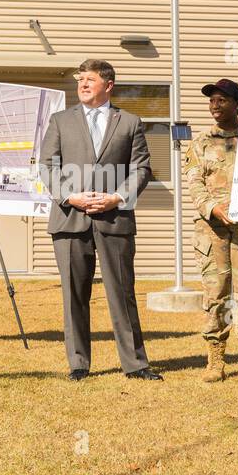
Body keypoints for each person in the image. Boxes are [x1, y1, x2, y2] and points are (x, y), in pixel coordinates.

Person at [37, 59, 159, 381]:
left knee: (122, 293)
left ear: (108, 85)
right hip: (69, 220)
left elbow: (141, 169)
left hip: (115, 220)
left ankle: (135, 364)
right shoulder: (61, 121)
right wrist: (70, 196)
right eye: (80, 79)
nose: (83, 84)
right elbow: (46, 166)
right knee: (74, 295)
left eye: (90, 79)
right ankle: (78, 364)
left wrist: (116, 197)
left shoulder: (130, 123)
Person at [184, 79, 238, 382]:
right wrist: (213, 208)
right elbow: (194, 183)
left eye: (222, 100)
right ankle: (216, 359)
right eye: (212, 101)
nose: (215, 106)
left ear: (237, 104)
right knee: (215, 294)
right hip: (212, 229)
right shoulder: (201, 142)